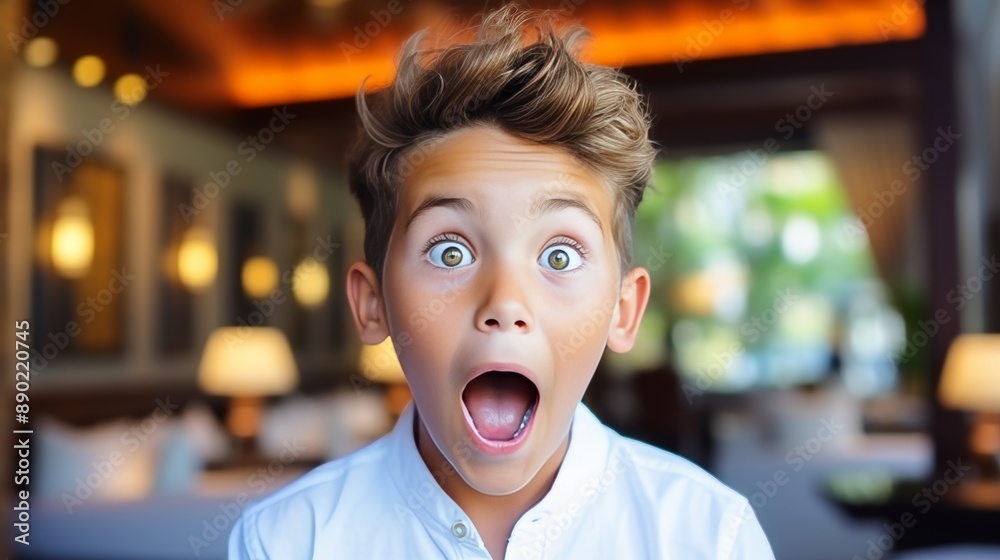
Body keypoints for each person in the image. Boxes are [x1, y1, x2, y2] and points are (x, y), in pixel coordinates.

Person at [229, 5, 774, 559]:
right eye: (449, 251)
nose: (505, 303)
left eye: (559, 256)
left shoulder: (710, 536)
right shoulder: (287, 541)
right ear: (373, 305)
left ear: (623, 309)